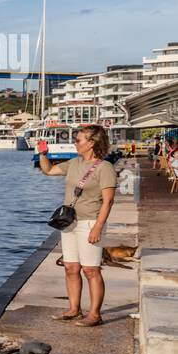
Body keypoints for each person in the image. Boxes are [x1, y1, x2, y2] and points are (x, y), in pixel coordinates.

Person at [37, 123, 117, 327]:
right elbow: (49, 171)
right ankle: (74, 309)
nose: (75, 142)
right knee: (71, 267)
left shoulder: (104, 168)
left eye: (78, 139)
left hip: (90, 222)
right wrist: (42, 154)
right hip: (70, 223)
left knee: (91, 270)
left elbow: (108, 201)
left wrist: (98, 226)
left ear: (91, 143)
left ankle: (95, 314)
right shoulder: (73, 163)